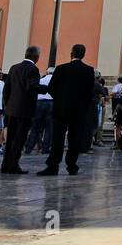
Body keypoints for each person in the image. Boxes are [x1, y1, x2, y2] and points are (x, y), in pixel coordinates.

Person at [39, 44, 96, 175]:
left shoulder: (61, 69)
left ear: (72, 54)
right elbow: (89, 92)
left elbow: (52, 89)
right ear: (84, 54)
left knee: (57, 138)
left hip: (61, 110)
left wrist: (60, 100)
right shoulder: (89, 70)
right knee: (75, 139)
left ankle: (53, 166)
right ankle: (72, 165)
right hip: (79, 112)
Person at [0, 47, 42, 173]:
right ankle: (14, 165)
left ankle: (5, 164)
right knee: (20, 138)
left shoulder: (14, 68)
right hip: (25, 110)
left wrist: (8, 105)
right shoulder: (33, 69)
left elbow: (6, 89)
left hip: (12, 109)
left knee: (11, 138)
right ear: (36, 57)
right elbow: (32, 86)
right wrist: (47, 88)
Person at [25, 68, 54, 156]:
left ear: (47, 72)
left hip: (39, 102)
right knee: (49, 127)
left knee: (36, 127)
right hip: (51, 103)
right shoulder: (55, 80)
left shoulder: (41, 80)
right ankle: (45, 148)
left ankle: (29, 148)